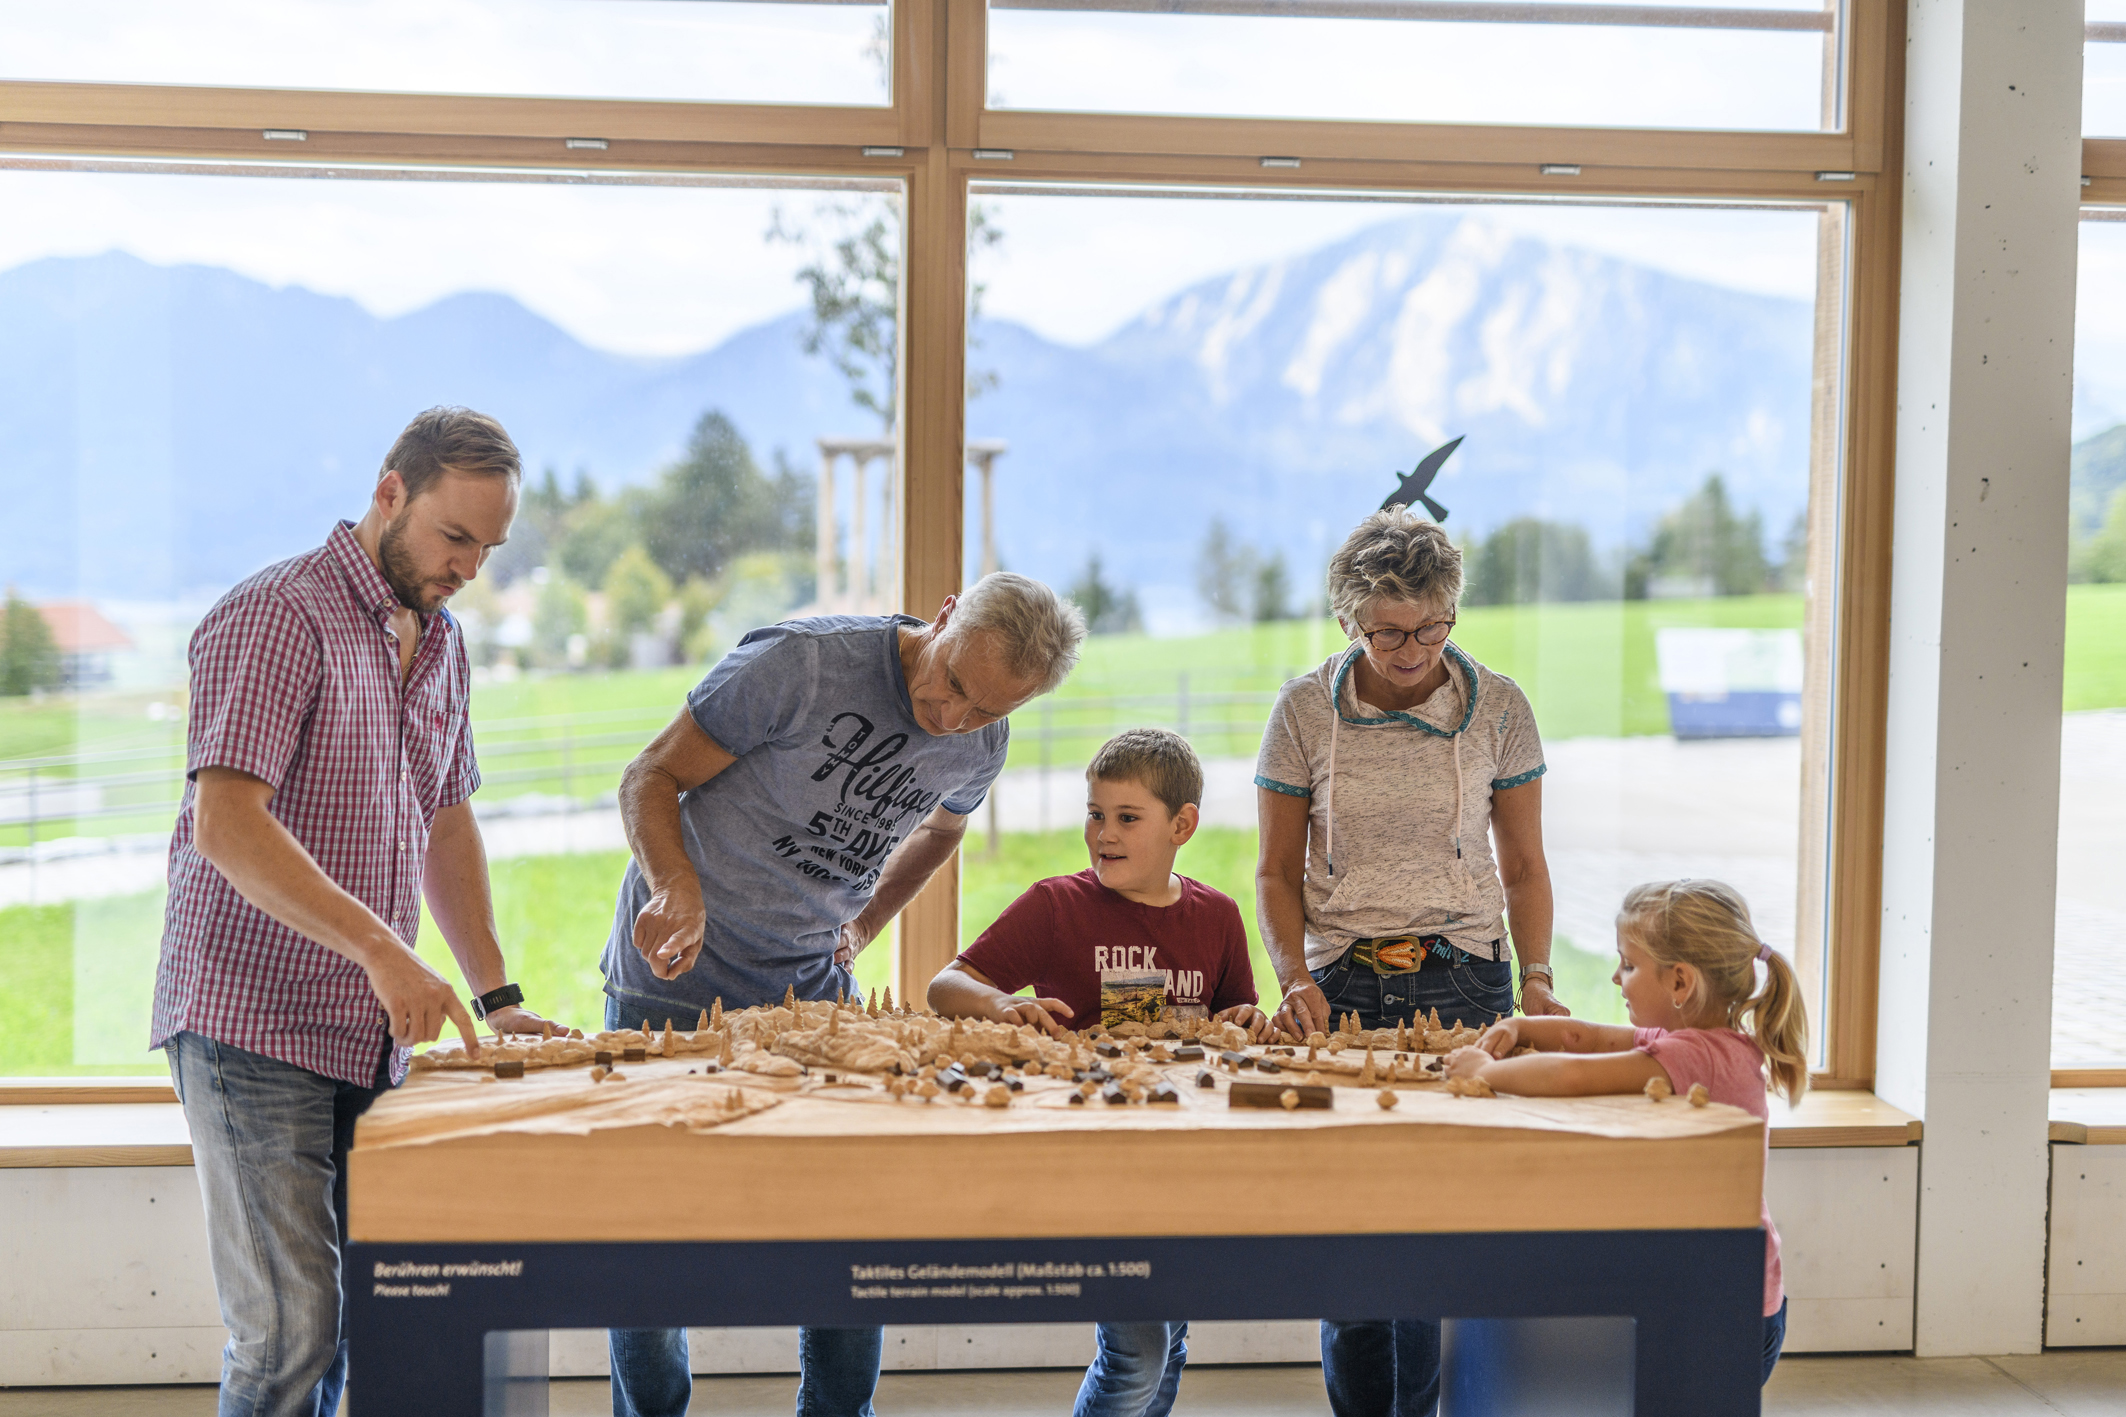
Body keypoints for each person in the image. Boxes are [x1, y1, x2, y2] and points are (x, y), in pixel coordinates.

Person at [152, 407, 568, 1417]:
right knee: (293, 1332)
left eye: (489, 546)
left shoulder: (443, 643)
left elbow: (445, 820)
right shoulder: (275, 616)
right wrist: (387, 954)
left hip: (363, 1030)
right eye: (453, 536)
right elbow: (226, 825)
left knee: (358, 1319)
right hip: (248, 1018)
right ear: (391, 493)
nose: (469, 565)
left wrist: (495, 991)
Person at [599, 570, 1086, 1417]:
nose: (953, 719)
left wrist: (866, 921)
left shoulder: (981, 740)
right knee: (648, 1247)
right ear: (942, 616)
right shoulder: (803, 665)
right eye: (955, 685)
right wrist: (674, 883)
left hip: (813, 1001)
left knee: (848, 1234)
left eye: (988, 711)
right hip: (673, 986)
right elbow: (650, 775)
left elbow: (943, 828)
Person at [1251, 506, 1566, 1417]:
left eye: (1433, 625)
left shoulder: (1498, 705)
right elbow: (1273, 870)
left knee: (1432, 1236)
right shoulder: (1306, 709)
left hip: (1466, 974)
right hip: (1342, 981)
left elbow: (1526, 864)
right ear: (1349, 620)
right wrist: (1294, 978)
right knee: (1349, 1234)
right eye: (1389, 630)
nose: (1412, 647)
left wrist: (1537, 979)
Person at [930, 727, 1267, 1417]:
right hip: (1099, 1161)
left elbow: (1237, 1020)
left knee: (1169, 1344)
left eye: (1125, 818)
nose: (1102, 834)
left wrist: (1248, 1024)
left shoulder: (1219, 917)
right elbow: (945, 985)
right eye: (1094, 813)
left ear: (1183, 824)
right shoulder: (1056, 905)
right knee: (1136, 1355)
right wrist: (1001, 1002)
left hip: (1186, 1163)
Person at [1444, 878, 1807, 1387]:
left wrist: (1483, 1070)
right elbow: (1584, 1038)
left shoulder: (1693, 1056)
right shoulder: (1701, 1041)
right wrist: (1519, 1028)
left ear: (1680, 983)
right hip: (1729, 1289)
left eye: (1629, 965)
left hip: (1721, 1303)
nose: (1616, 978)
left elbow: (1572, 1076)